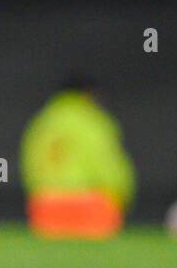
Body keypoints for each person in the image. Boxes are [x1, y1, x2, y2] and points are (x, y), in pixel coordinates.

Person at [21, 77, 134, 238]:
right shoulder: (93, 120)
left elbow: (31, 166)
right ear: (87, 95)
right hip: (90, 206)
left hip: (47, 206)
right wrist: (121, 196)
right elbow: (107, 164)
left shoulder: (42, 122)